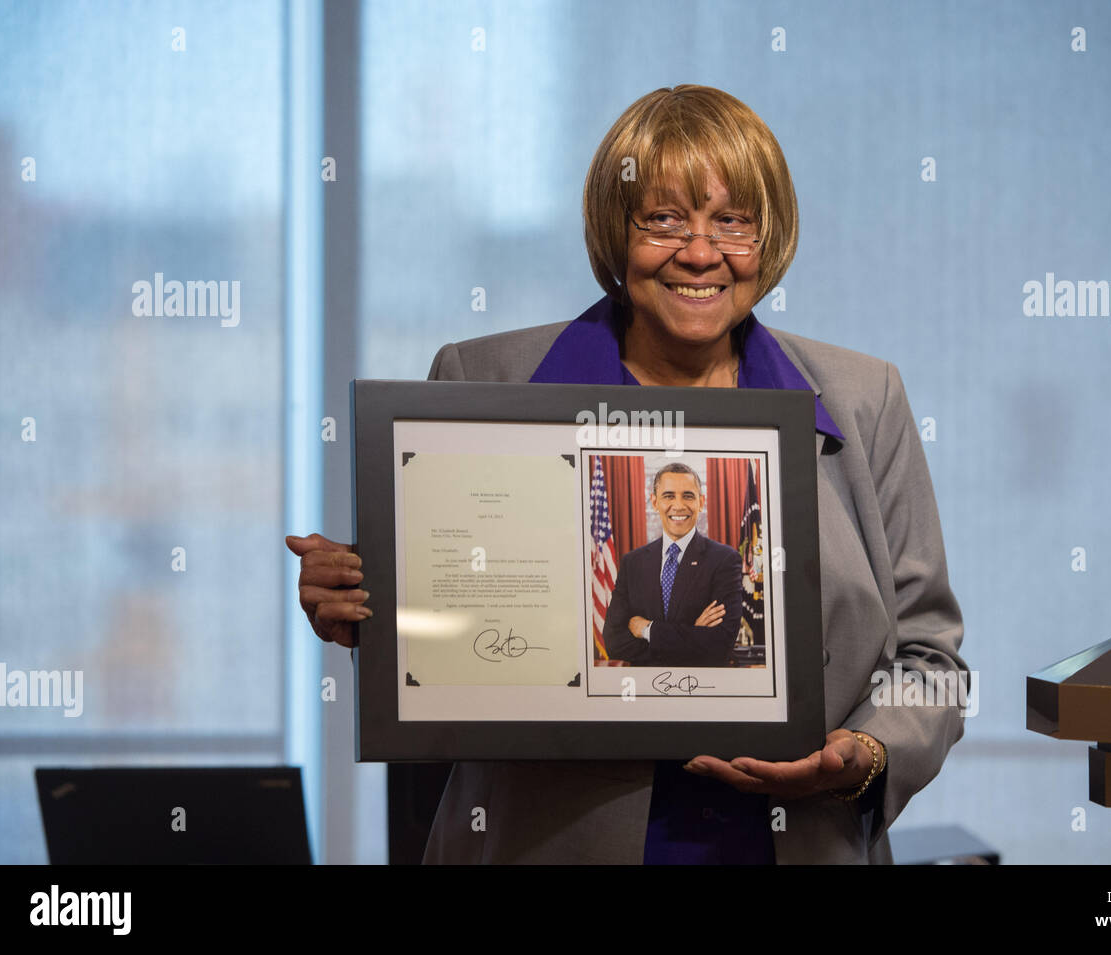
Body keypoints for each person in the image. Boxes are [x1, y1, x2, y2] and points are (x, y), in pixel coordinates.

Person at [286, 84, 968, 864]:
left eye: (731, 222)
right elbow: (458, 632)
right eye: (664, 219)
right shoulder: (484, 379)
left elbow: (933, 664)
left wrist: (865, 754)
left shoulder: (864, 398)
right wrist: (369, 614)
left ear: (766, 238)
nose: (701, 252)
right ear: (618, 230)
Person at [602, 463, 743, 668]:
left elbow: (720, 643)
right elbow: (614, 642)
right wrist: (692, 635)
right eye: (668, 496)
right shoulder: (632, 563)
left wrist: (647, 630)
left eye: (688, 496)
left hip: (699, 689)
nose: (678, 505)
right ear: (654, 502)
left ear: (701, 502)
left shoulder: (724, 560)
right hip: (645, 691)